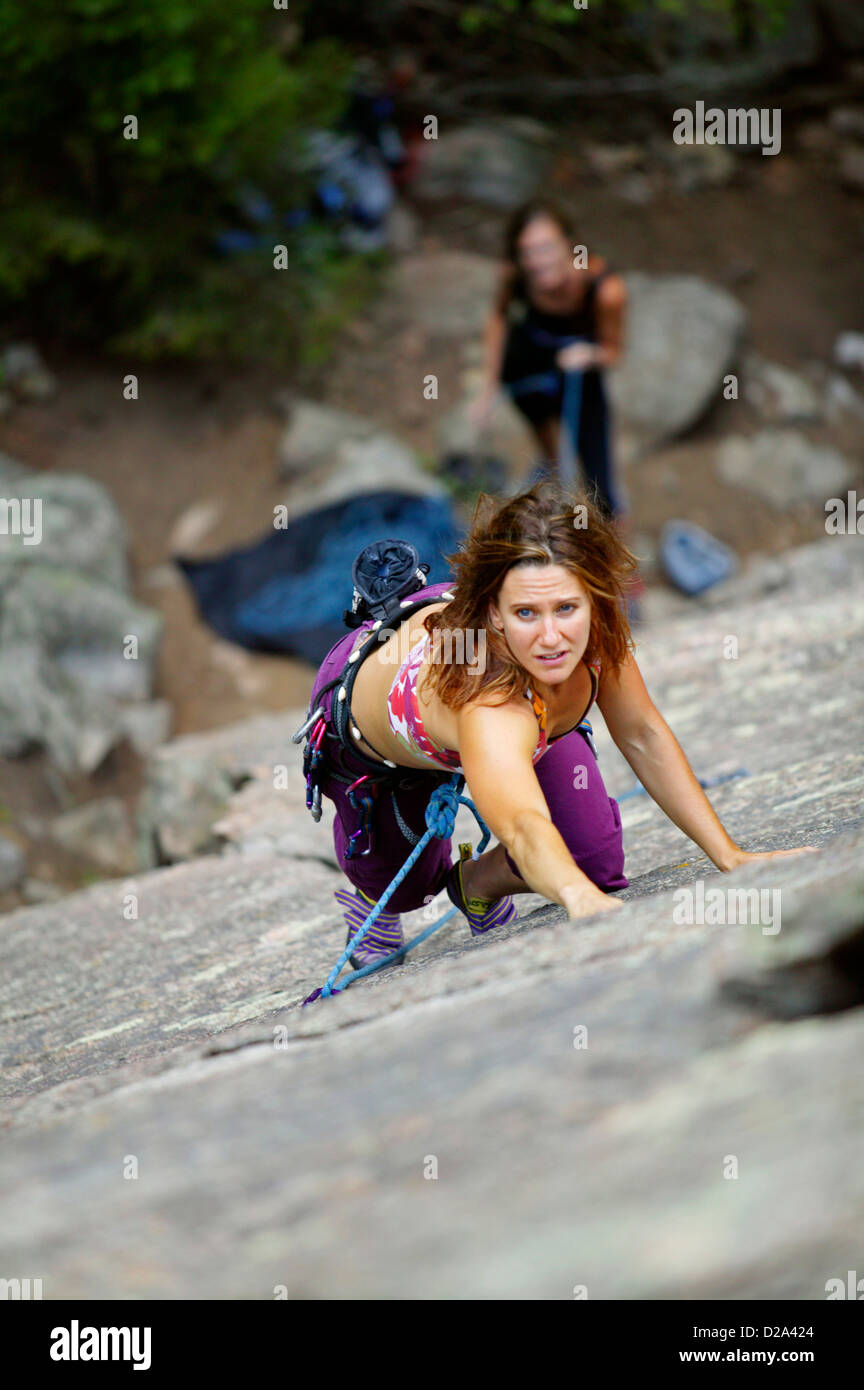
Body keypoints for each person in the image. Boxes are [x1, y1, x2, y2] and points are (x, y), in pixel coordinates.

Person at [303, 482, 816, 969]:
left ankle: (475, 885)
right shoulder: (489, 704)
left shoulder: (591, 638)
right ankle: (373, 896)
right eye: (527, 612)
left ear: (593, 600)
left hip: (529, 717)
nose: (551, 638)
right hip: (376, 746)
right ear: (495, 615)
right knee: (412, 886)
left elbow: (641, 733)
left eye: (567, 608)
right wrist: (576, 899)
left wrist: (730, 856)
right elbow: (524, 822)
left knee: (592, 862)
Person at [469, 198, 627, 517]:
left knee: (602, 484)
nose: (537, 262)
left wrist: (590, 353)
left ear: (569, 243)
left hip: (580, 376)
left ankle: (620, 550)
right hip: (527, 368)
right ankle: (553, 471)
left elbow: (613, 351)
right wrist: (488, 390)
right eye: (527, 252)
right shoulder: (515, 275)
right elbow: (498, 318)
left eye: (546, 248)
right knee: (547, 440)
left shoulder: (604, 289)